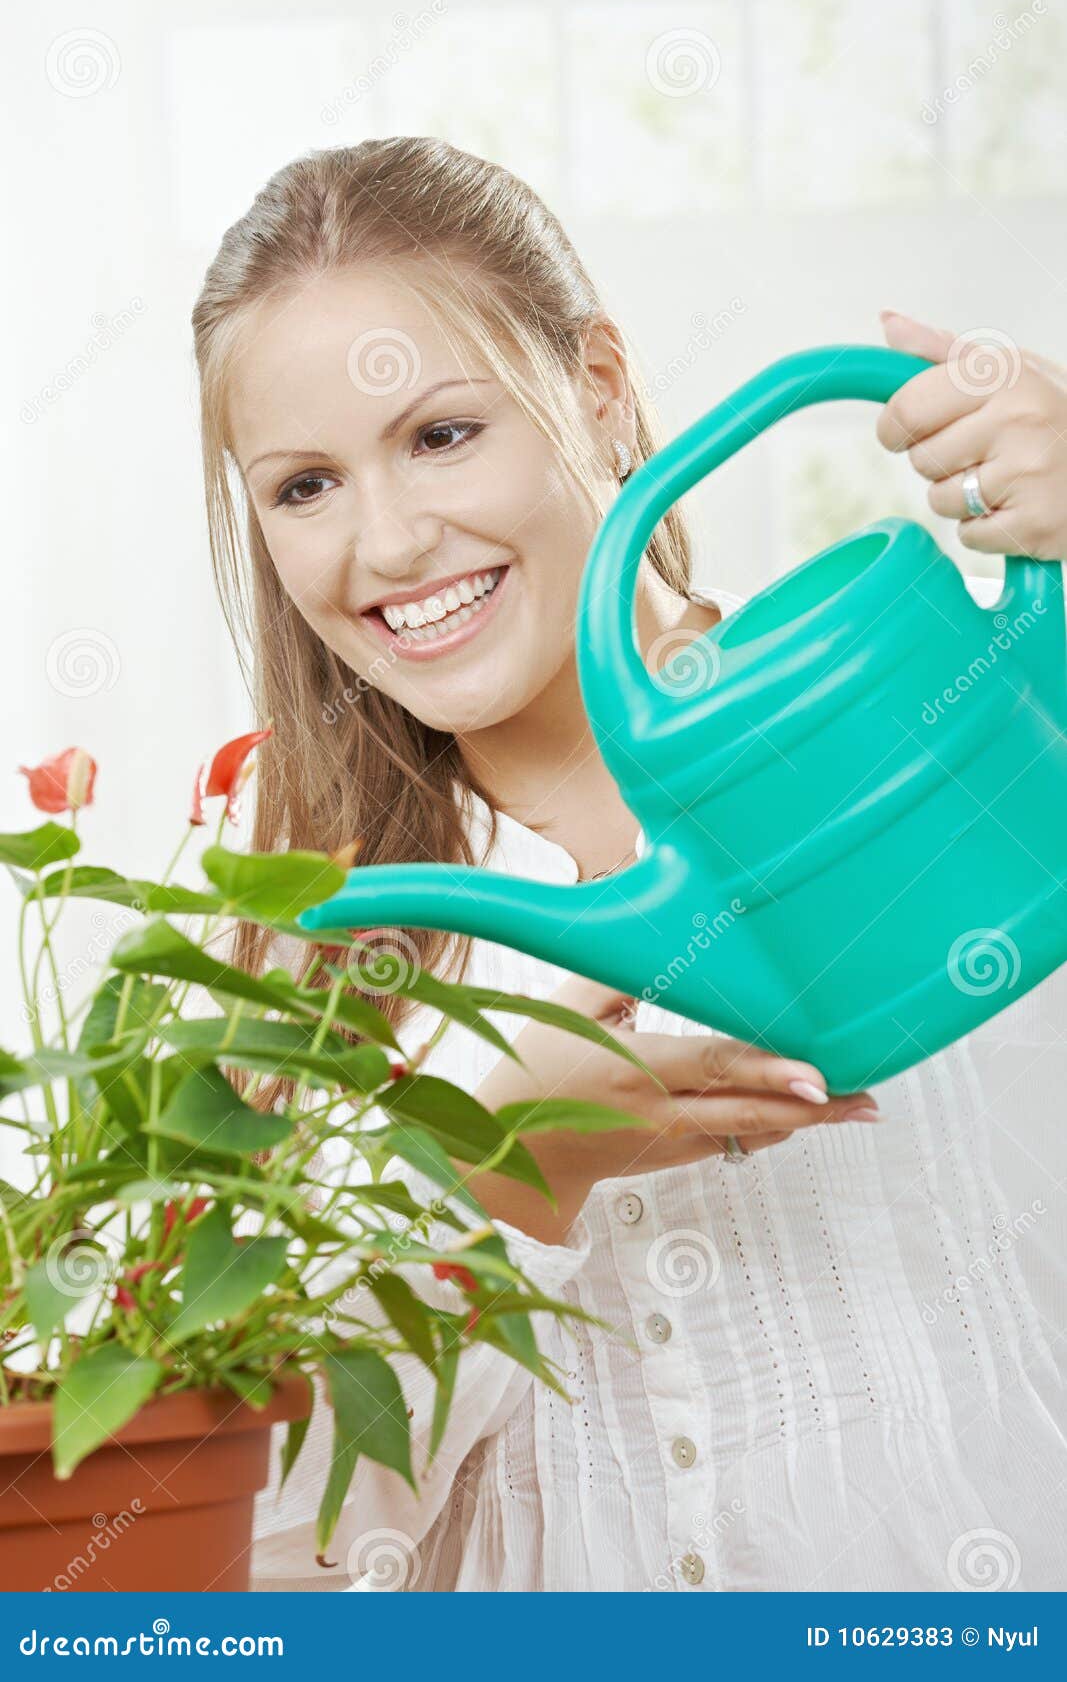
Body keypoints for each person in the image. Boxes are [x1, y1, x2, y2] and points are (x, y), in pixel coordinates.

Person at [190, 136, 1067, 1592]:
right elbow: (252, 1552)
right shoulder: (295, 937)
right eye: (303, 486)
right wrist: (501, 1181)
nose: (391, 543)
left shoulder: (920, 717)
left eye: (442, 435)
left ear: (596, 389)